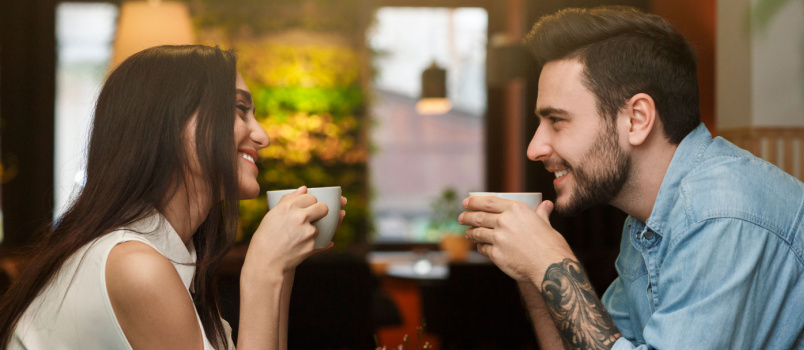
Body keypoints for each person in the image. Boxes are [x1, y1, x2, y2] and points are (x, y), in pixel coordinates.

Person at [460, 6, 804, 349]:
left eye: (557, 120)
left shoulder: (718, 212)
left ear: (637, 119)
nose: (534, 148)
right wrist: (533, 272)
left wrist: (552, 263)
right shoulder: (647, 222)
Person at [0, 45, 346, 349]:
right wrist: (263, 270)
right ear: (172, 121)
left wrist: (281, 268)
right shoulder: (133, 265)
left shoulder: (170, 254)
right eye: (241, 109)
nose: (262, 136)